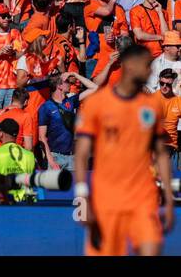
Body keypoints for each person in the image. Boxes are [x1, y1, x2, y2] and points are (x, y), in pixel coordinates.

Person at [74, 44, 174, 256]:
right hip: (106, 199)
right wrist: (82, 197)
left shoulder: (151, 105)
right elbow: (82, 154)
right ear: (129, 66)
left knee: (151, 250)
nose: (150, 72)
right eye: (147, 66)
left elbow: (161, 154)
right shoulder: (97, 104)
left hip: (143, 197)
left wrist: (168, 197)